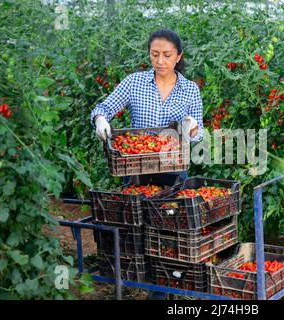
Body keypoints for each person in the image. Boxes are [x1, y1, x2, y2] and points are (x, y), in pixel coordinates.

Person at [90, 29, 204, 299]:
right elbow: (103, 108)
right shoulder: (134, 83)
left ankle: (162, 291)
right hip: (136, 171)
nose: (160, 61)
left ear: (178, 57)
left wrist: (192, 127)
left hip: (173, 171)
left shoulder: (189, 89)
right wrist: (100, 120)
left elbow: (198, 134)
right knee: (136, 231)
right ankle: (136, 278)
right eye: (155, 55)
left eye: (166, 55)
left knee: (168, 234)